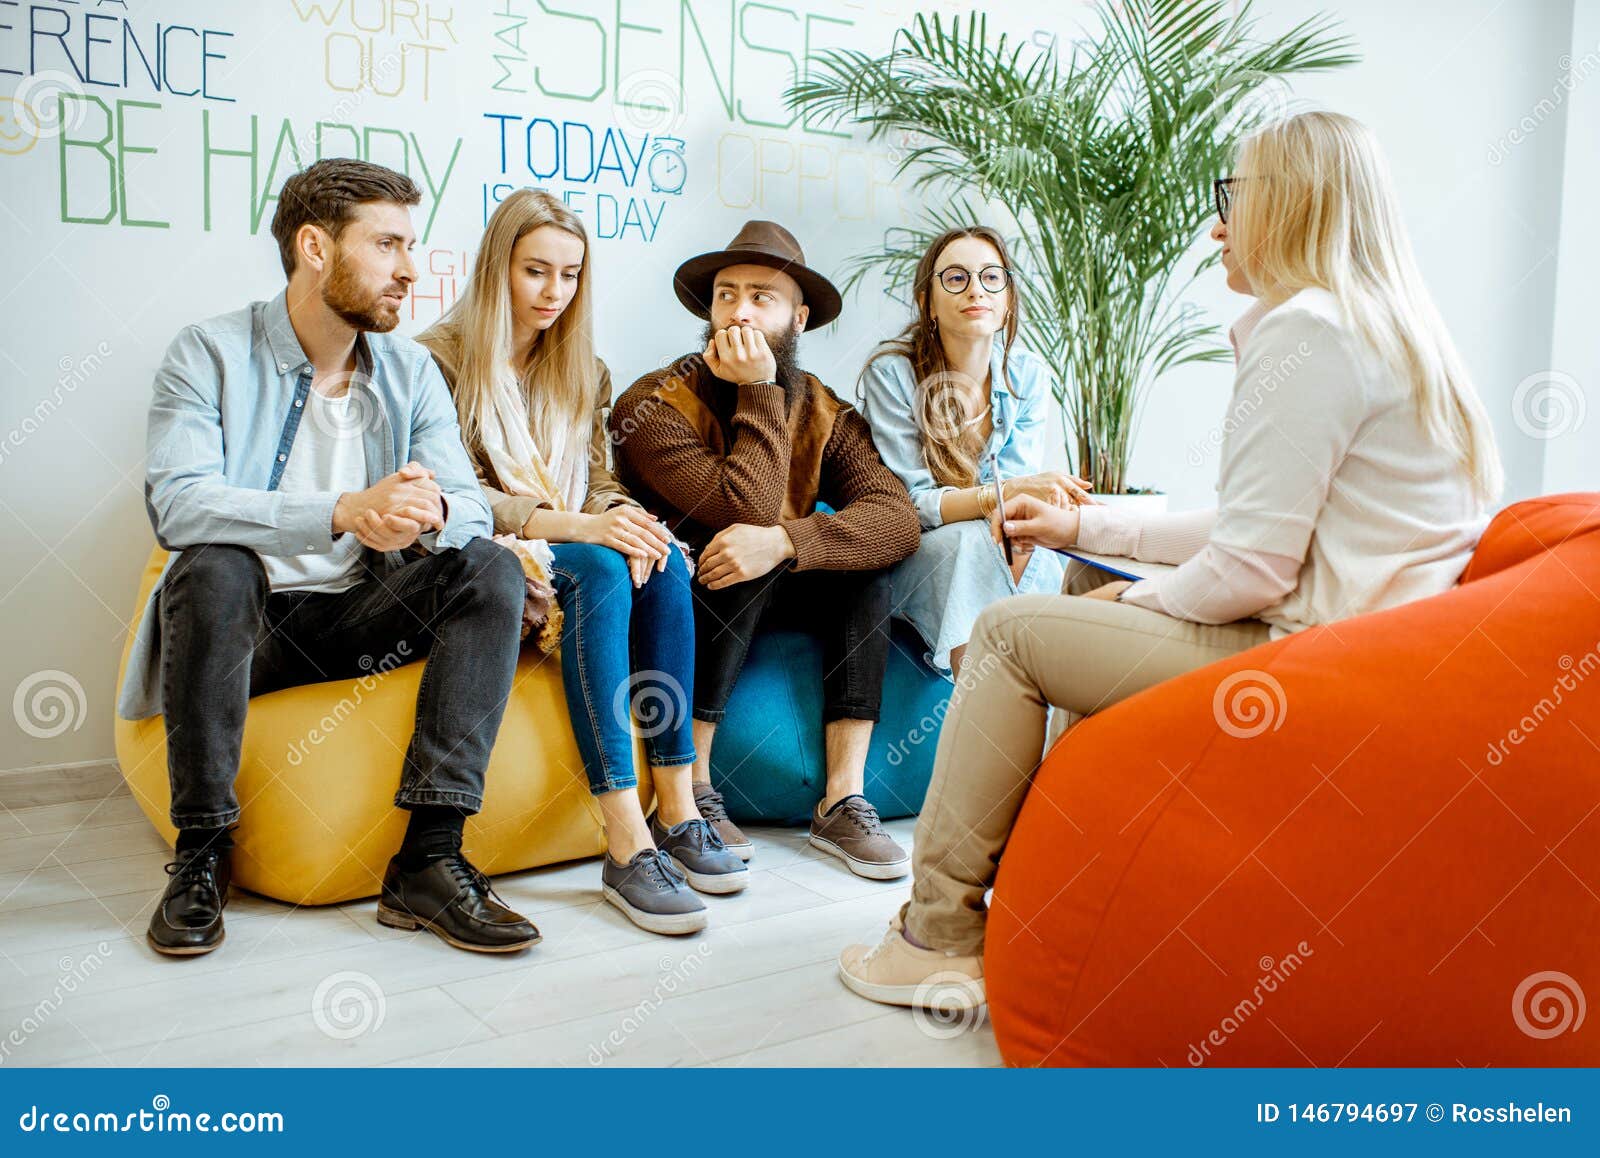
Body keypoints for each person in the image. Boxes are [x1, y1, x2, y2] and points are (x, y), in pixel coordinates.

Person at [837, 110, 1506, 1009]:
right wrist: (1086, 534)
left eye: (1232, 195)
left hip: (1308, 663)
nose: (1215, 223)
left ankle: (939, 933)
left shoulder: (1306, 331)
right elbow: (1252, 523)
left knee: (1007, 635)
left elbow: (1251, 571)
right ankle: (1062, 895)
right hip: (1366, 651)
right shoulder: (1389, 328)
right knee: (1071, 590)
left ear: (1290, 204)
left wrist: (1126, 608)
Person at [121, 159, 540, 958]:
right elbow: (178, 504)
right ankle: (203, 852)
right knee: (214, 565)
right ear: (315, 246)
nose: (410, 270)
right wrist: (343, 511)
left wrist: (429, 511)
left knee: (488, 562)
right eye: (387, 245)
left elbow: (472, 505)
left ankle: (430, 857)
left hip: (358, 615)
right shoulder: (206, 353)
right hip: (245, 637)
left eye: (410, 246)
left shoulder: (411, 370)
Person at [418, 190, 746, 936]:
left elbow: (599, 480)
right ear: (496, 267)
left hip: (562, 529)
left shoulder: (582, 369)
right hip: (481, 553)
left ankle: (680, 810)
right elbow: (456, 495)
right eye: (536, 272)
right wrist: (584, 528)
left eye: (569, 276)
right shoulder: (434, 361)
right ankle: (624, 839)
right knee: (598, 569)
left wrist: (622, 514)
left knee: (659, 556)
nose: (553, 293)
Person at [609, 221, 922, 878]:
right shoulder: (653, 403)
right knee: (738, 548)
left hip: (777, 585)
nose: (740, 312)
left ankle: (842, 797)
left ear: (798, 318)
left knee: (855, 566)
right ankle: (691, 786)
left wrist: (788, 540)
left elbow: (897, 518)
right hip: (685, 599)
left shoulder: (826, 413)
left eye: (762, 298)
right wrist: (759, 391)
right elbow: (741, 508)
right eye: (727, 296)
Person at [859, 225, 1088, 677]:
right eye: (956, 278)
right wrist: (1011, 494)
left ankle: (1046, 705)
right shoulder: (893, 375)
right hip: (923, 544)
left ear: (1007, 303)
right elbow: (915, 506)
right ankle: (980, 697)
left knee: (1048, 544)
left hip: (993, 535)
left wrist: (1040, 501)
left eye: (990, 278)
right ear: (929, 304)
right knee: (970, 543)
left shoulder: (1027, 375)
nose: (975, 290)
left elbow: (1016, 505)